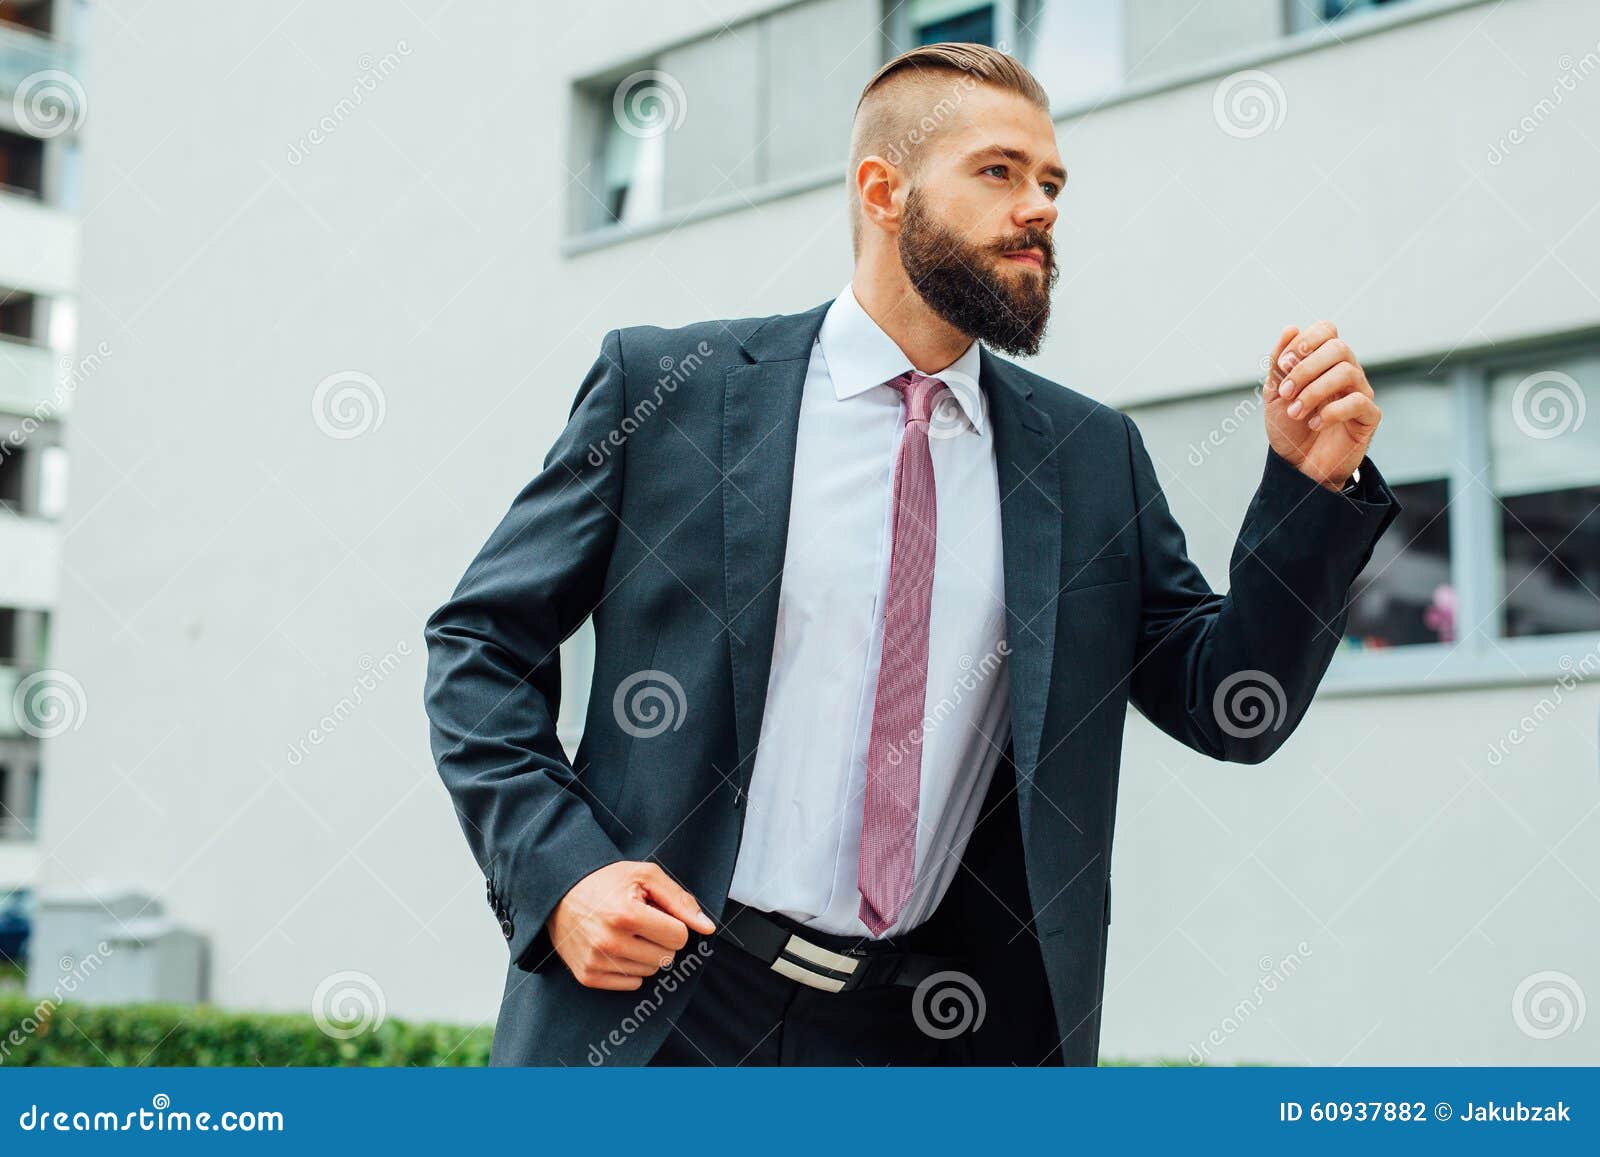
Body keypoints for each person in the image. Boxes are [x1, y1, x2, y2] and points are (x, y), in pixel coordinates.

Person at [423, 42, 1401, 1067]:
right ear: (884, 192)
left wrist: (1310, 489)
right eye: (999, 172)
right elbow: (481, 645)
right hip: (662, 1012)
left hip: (923, 1032)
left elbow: (1225, 702)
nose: (1041, 207)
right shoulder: (670, 391)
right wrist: (564, 872)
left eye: (1052, 182)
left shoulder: (1086, 458)